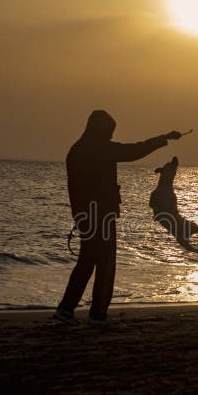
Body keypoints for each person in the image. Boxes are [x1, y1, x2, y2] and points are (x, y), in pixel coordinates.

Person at [54, 110, 181, 325]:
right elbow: (134, 151)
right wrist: (163, 139)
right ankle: (97, 313)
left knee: (86, 262)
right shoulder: (99, 149)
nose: (111, 137)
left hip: (84, 215)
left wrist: (80, 216)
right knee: (105, 264)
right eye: (109, 132)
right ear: (100, 128)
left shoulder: (76, 150)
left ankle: (66, 310)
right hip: (101, 215)